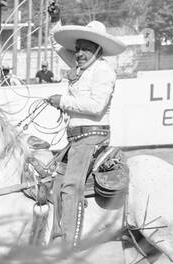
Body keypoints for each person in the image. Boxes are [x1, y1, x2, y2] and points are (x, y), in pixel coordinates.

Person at [45, 19, 122, 248]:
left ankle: (71, 245)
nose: (79, 53)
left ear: (97, 49)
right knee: (54, 184)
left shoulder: (104, 71)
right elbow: (56, 43)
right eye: (77, 48)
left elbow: (97, 106)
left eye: (85, 48)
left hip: (92, 137)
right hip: (75, 139)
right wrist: (54, 17)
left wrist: (63, 101)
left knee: (71, 187)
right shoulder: (82, 66)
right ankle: (55, 234)